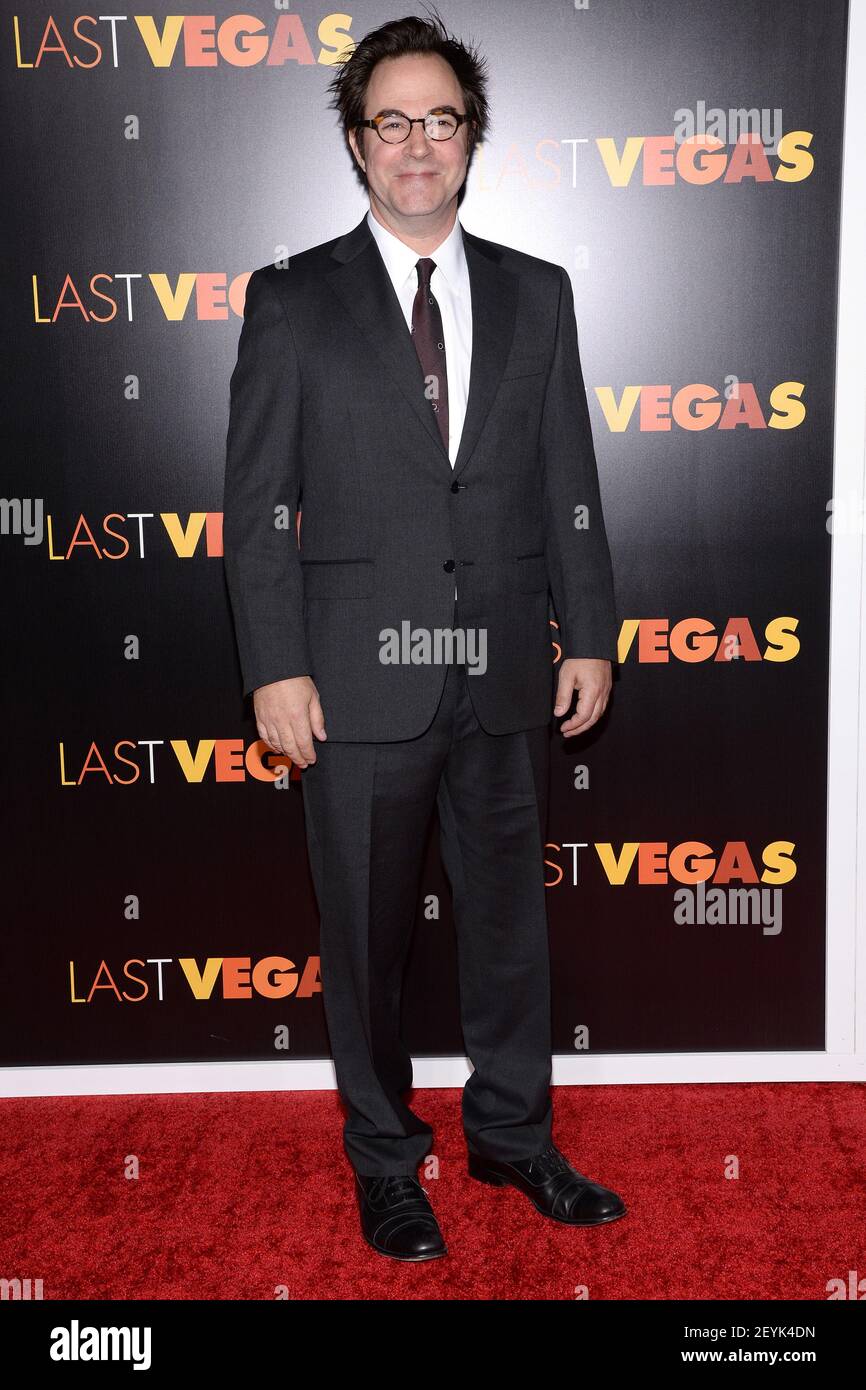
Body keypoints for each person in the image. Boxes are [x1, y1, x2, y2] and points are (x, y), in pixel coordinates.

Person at [223, 9, 626, 1262]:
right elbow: (254, 505)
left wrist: (590, 630)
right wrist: (275, 665)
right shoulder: (291, 301)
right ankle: (386, 1160)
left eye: (438, 119)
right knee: (365, 938)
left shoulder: (537, 294)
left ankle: (511, 1136)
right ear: (356, 142)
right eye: (390, 121)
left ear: (470, 139)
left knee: (511, 928)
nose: (415, 144)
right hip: (351, 682)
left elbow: (571, 476)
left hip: (504, 667)